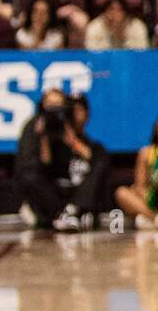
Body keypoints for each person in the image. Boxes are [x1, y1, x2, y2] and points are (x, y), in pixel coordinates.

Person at [15, 89, 109, 232]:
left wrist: (74, 143)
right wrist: (44, 139)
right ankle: (57, 214)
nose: (75, 114)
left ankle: (72, 211)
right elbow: (43, 166)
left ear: (87, 114)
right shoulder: (42, 131)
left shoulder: (93, 146)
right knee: (30, 173)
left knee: (100, 162)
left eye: (79, 110)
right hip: (56, 194)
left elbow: (99, 163)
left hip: (79, 194)